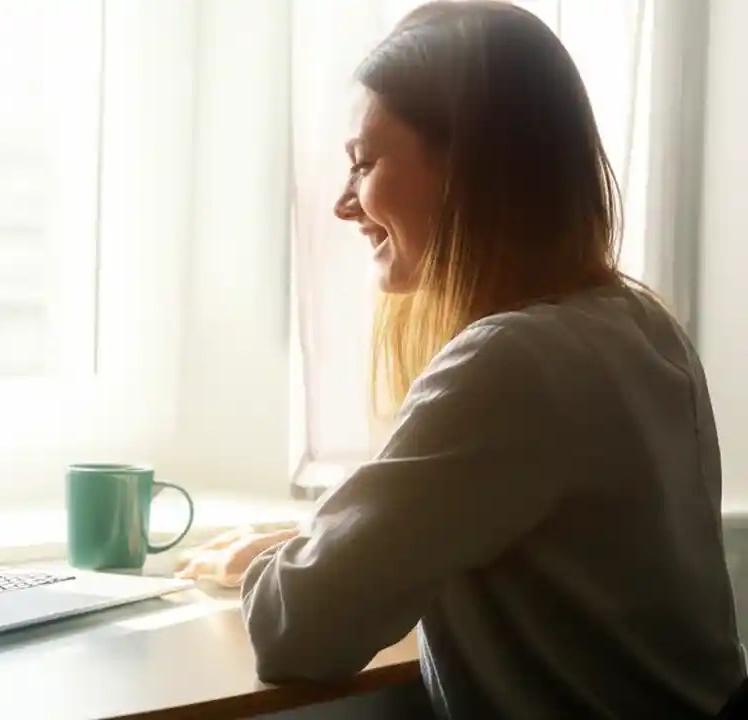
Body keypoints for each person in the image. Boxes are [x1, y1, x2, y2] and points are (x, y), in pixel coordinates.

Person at [182, 2, 747, 716]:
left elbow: (298, 630)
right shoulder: (642, 328)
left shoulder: (513, 362)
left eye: (364, 163)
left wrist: (265, 566)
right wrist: (316, 543)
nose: (342, 203)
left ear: (470, 170)